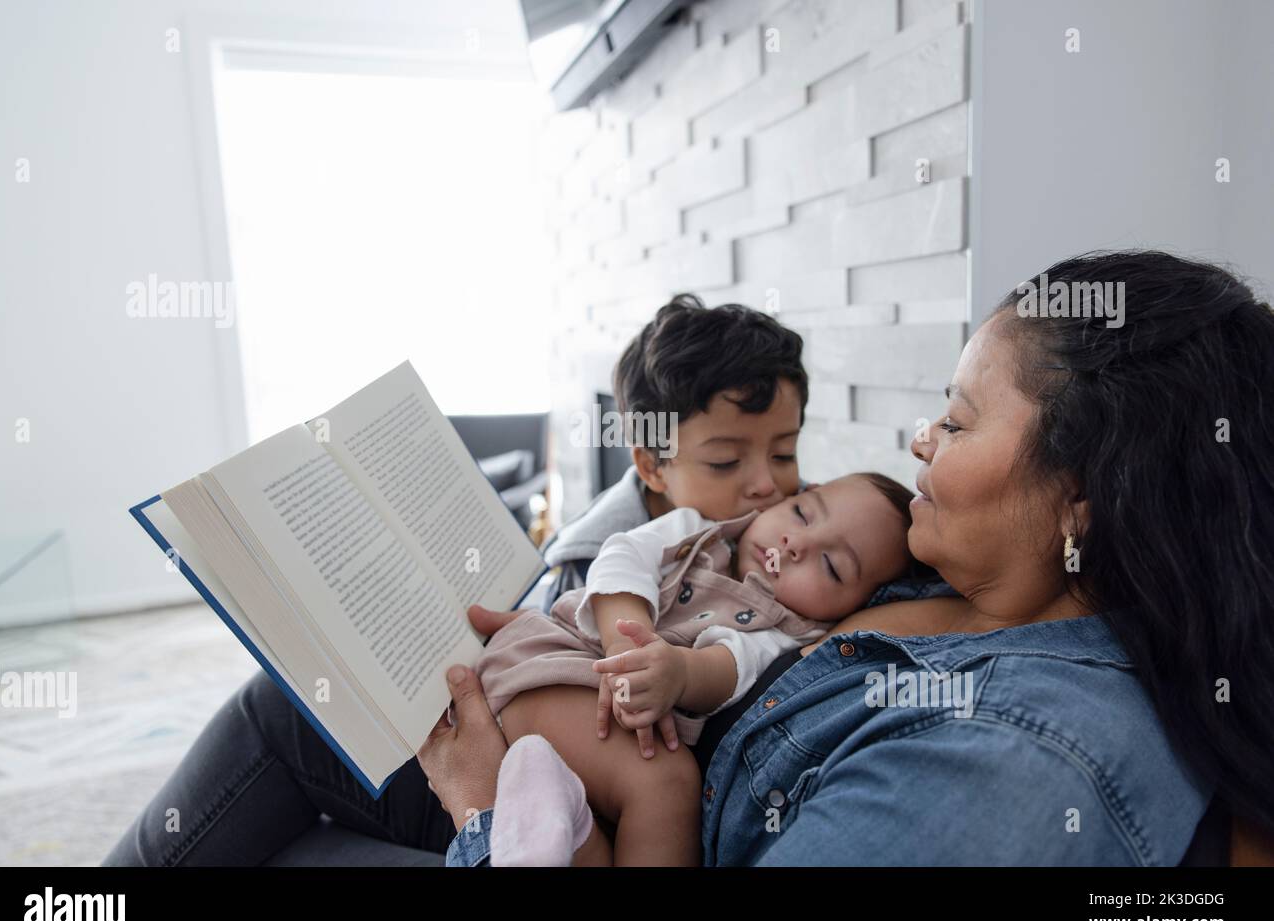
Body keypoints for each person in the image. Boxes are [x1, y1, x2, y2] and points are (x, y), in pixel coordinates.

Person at [425, 250, 1274, 866]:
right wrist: (570, 636)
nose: (919, 439)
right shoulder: (949, 566)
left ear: (1081, 495)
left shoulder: (1000, 772)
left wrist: (480, 805)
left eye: (959, 419)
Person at [102, 293, 815, 865]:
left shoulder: (805, 538)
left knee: (278, 717)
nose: (767, 484)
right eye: (728, 462)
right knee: (291, 740)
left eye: (785, 453)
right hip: (529, 739)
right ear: (651, 464)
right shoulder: (613, 546)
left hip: (545, 797)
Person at [476, 473, 920, 865]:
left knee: (655, 786)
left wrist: (679, 674)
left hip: (598, 702)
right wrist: (623, 643)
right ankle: (545, 800)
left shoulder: (785, 633)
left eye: (831, 565)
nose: (795, 544)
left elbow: (728, 668)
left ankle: (557, 814)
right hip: (552, 659)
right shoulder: (699, 531)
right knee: (666, 783)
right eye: (802, 513)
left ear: (854, 608)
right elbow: (621, 554)